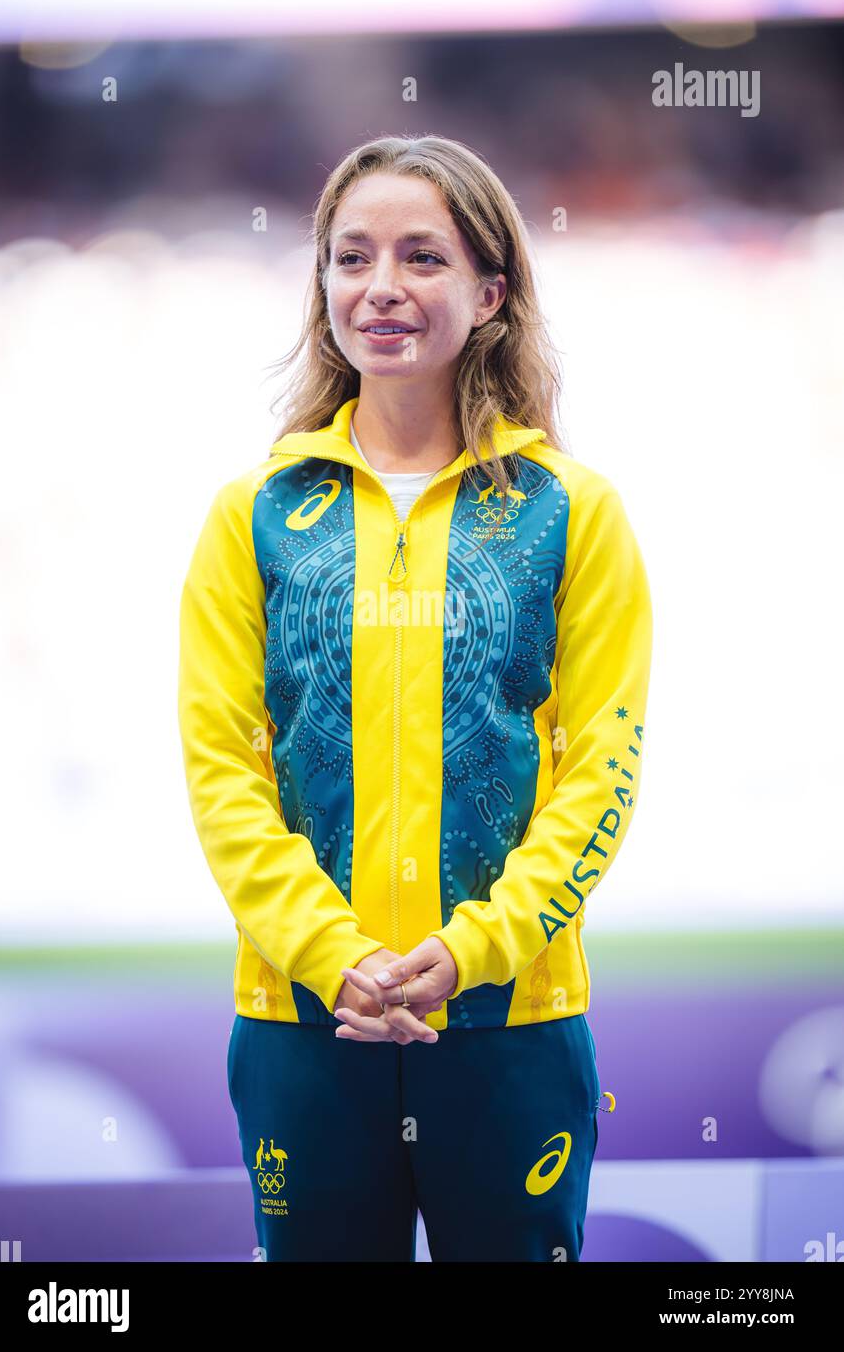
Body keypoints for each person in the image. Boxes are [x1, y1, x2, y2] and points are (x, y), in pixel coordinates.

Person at [177, 134, 653, 1262]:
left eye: (420, 257)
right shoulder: (252, 516)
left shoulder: (571, 511)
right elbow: (221, 771)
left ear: (489, 292)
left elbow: (602, 769)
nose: (380, 286)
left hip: (509, 1027)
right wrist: (330, 951)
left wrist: (477, 949)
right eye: (351, 257)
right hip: (301, 1026)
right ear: (323, 287)